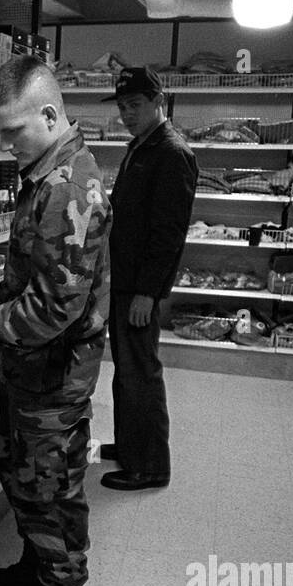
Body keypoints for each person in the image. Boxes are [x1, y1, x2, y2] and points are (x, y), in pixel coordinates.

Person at [0, 56, 112, 586]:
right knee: (17, 465)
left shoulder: (68, 188)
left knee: (51, 487)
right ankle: (36, 566)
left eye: (13, 131)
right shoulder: (45, 173)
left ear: (51, 115)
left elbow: (57, 303)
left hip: (55, 371)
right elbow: (31, 273)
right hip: (31, 367)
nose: (6, 145)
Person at [97, 66, 197, 491]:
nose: (127, 114)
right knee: (127, 370)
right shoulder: (142, 146)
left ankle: (151, 466)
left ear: (160, 102)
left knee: (141, 372)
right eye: (122, 106)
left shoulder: (171, 153)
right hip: (123, 280)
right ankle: (130, 446)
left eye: (135, 105)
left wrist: (148, 293)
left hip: (138, 286)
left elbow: (168, 234)